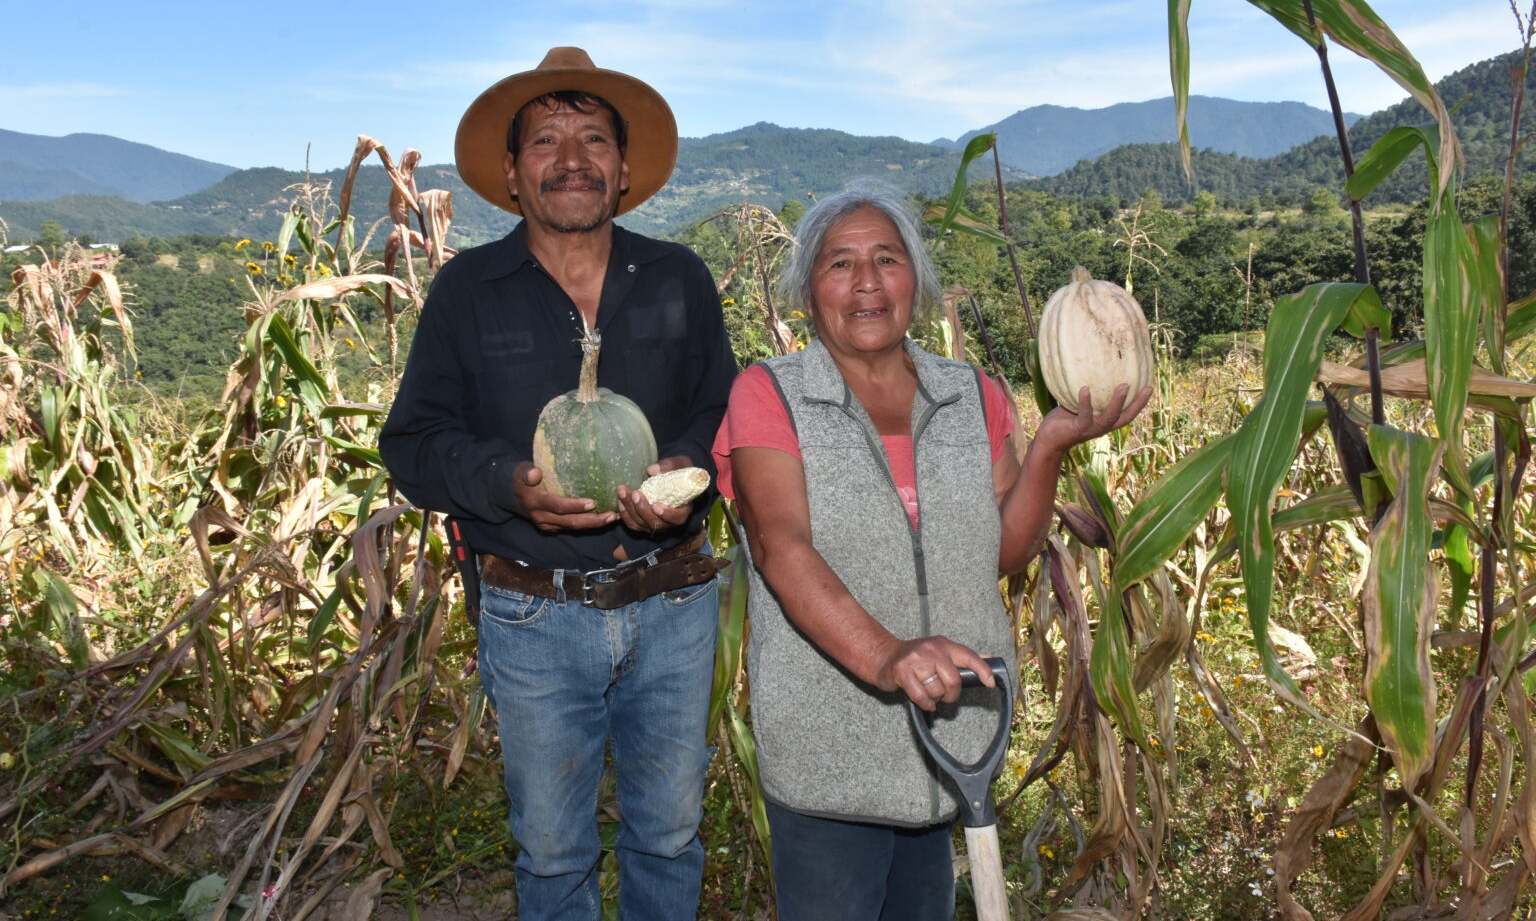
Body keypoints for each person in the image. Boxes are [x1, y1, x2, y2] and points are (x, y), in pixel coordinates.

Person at [711, 181, 1150, 920]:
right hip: (830, 751)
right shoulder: (769, 394)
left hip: (951, 740)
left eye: (887, 259)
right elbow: (781, 547)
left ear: (916, 277)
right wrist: (887, 655)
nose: (867, 284)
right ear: (808, 290)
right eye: (840, 264)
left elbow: (1006, 551)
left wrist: (1045, 447)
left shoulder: (969, 393)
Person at [380, 47, 736, 921]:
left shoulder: (680, 280)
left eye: (592, 140)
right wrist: (507, 484)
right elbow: (414, 444)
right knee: (550, 850)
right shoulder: (468, 291)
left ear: (622, 169)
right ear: (511, 171)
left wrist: (685, 471)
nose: (571, 158)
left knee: (670, 833)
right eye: (545, 139)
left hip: (675, 603)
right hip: (533, 613)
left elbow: (727, 418)